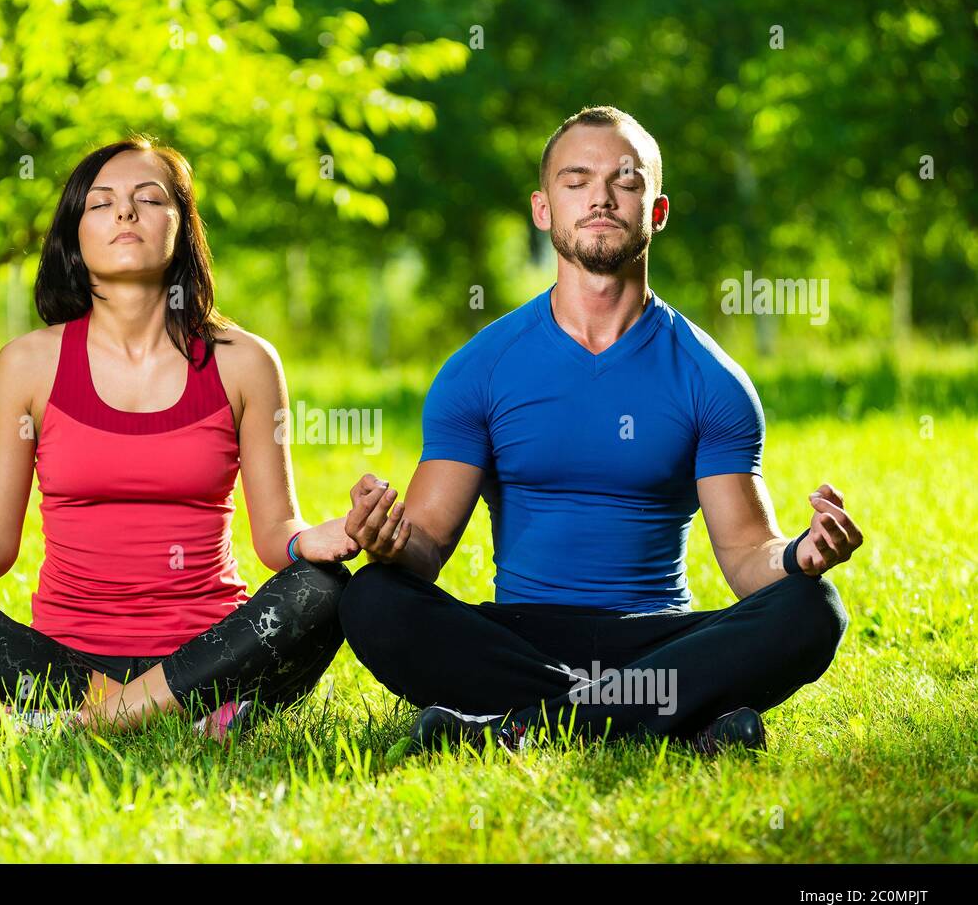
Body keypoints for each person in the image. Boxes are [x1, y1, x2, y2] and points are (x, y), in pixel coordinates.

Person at [339, 106, 862, 755]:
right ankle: (680, 718)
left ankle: (521, 727)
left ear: (658, 211)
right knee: (374, 600)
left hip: (656, 637)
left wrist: (797, 557)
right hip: (522, 636)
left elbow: (746, 553)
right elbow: (424, 550)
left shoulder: (711, 379)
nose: (601, 198)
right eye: (576, 180)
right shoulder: (479, 368)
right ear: (542, 208)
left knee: (813, 609)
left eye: (627, 181)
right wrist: (385, 540)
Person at [0, 135, 358, 740]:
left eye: (147, 199)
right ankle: (167, 717)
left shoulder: (244, 362)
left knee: (322, 589)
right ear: (74, 235)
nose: (125, 212)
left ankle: (71, 723)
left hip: (213, 655)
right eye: (100, 203)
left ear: (183, 226)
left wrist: (324, 538)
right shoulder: (27, 365)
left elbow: (275, 535)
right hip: (65, 665)